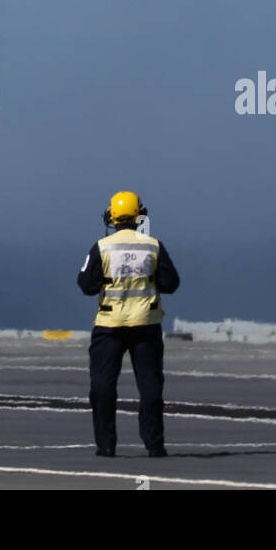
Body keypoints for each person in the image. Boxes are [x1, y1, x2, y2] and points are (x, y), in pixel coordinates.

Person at [77, 191, 179, 458]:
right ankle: (154, 444)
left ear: (112, 215)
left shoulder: (102, 246)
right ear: (139, 215)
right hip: (146, 324)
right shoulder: (153, 246)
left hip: (110, 324)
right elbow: (171, 283)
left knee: (102, 385)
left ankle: (106, 444)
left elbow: (86, 285)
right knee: (150, 386)